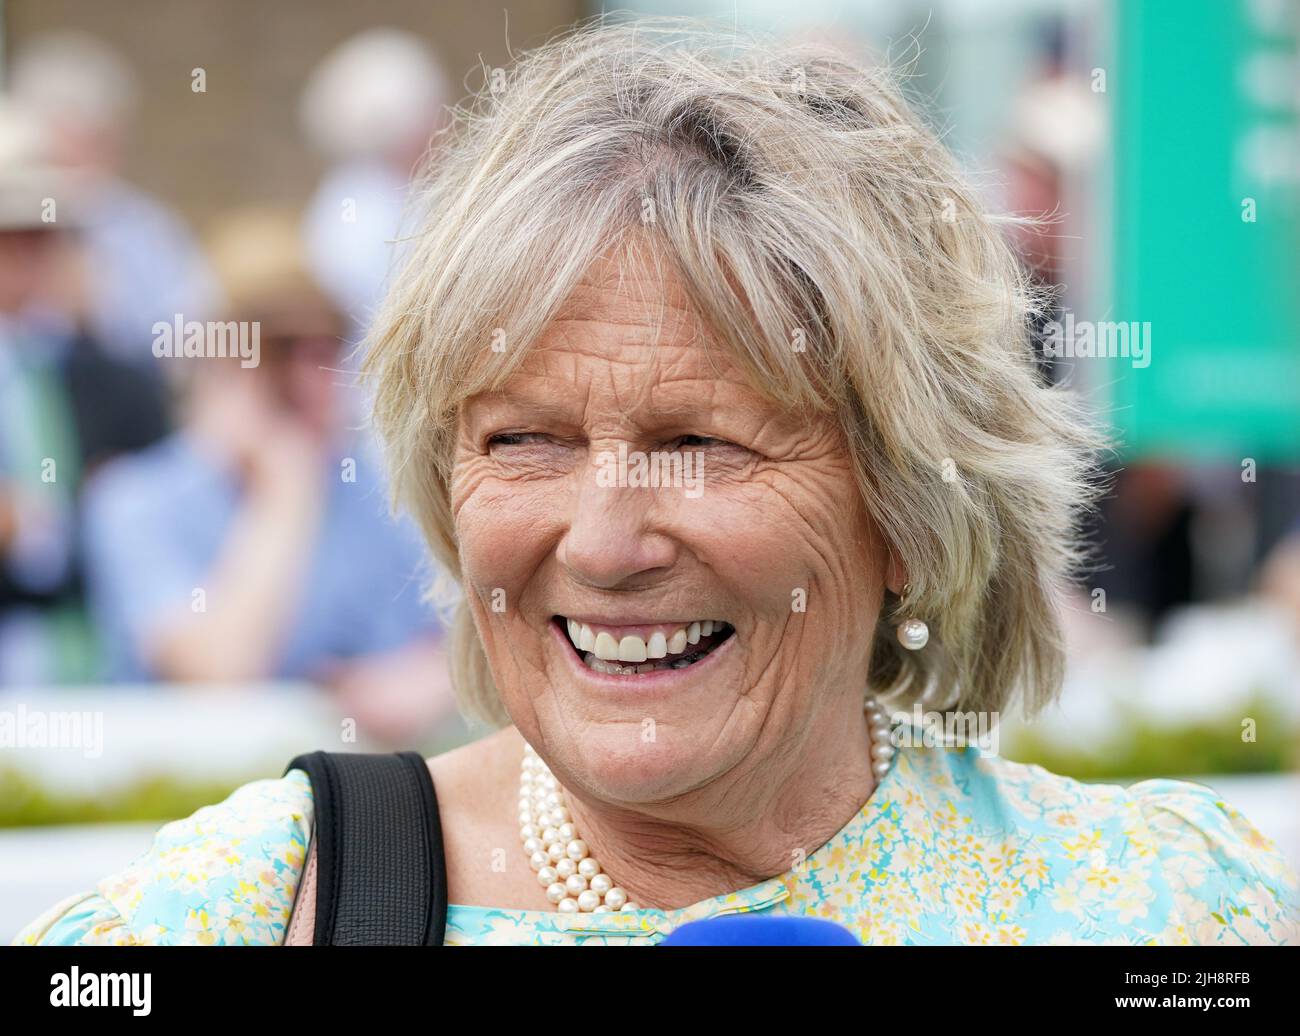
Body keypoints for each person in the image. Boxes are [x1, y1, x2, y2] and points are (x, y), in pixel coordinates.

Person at [15, 19, 1297, 946]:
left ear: (908, 504)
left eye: (704, 442)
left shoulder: (1169, 914)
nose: (605, 539)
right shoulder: (242, 910)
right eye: (523, 441)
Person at [75, 209, 452, 743]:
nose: (316, 376)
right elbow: (219, 672)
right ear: (223, 363)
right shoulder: (134, 501)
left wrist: (431, 682)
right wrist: (286, 488)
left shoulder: (377, 491)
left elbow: (471, 640)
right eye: (282, 351)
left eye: (328, 348)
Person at [0, 97, 168, 685]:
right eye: (7, 236)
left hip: (103, 663)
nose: (23, 258)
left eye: (38, 236)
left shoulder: (113, 380)